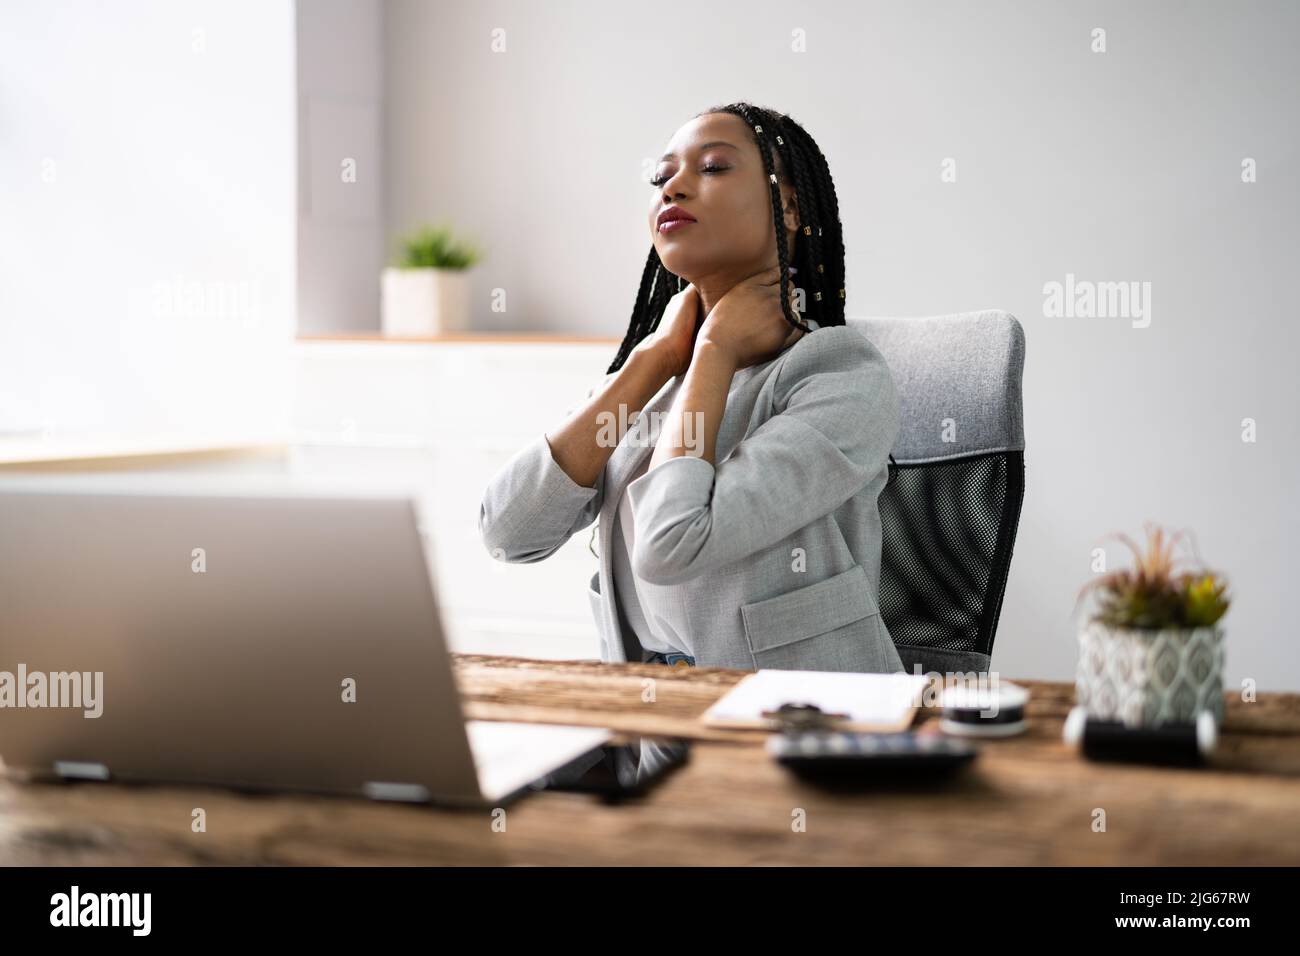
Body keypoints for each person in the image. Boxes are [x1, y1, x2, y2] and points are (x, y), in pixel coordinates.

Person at [479, 102, 903, 674]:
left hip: (796, 729)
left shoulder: (839, 376)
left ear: (791, 205)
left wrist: (715, 349)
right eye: (661, 176)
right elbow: (508, 534)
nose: (673, 186)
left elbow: (672, 542)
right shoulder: (653, 382)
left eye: (714, 167)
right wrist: (649, 363)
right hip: (647, 730)